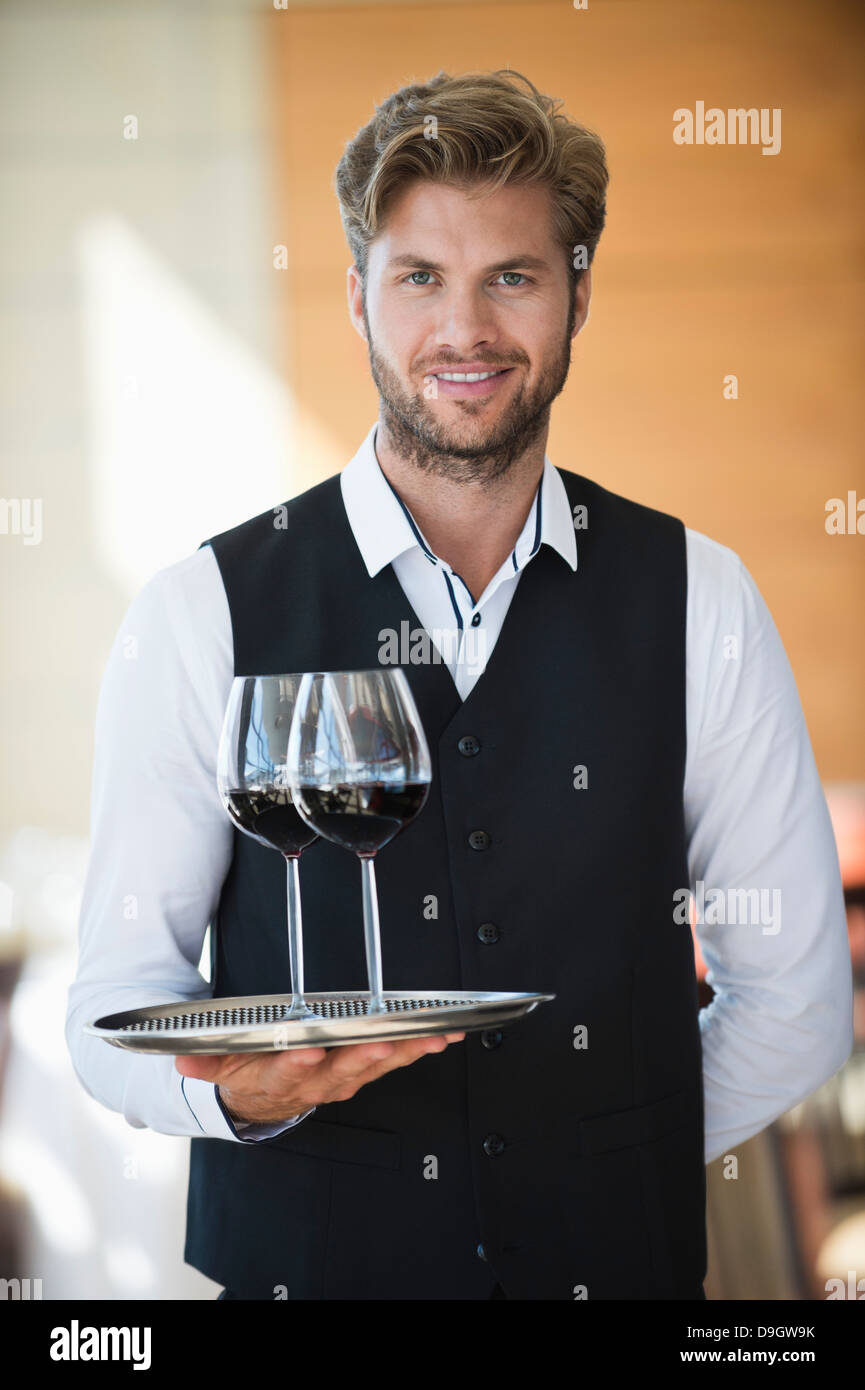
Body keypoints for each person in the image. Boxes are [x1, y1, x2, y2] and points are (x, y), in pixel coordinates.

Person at [66, 68, 853, 1301]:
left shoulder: (701, 598)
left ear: (578, 292)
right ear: (357, 298)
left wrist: (602, 1162)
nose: (466, 330)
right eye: (419, 276)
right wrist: (242, 1103)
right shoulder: (198, 610)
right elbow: (113, 1008)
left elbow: (797, 998)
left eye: (514, 276)